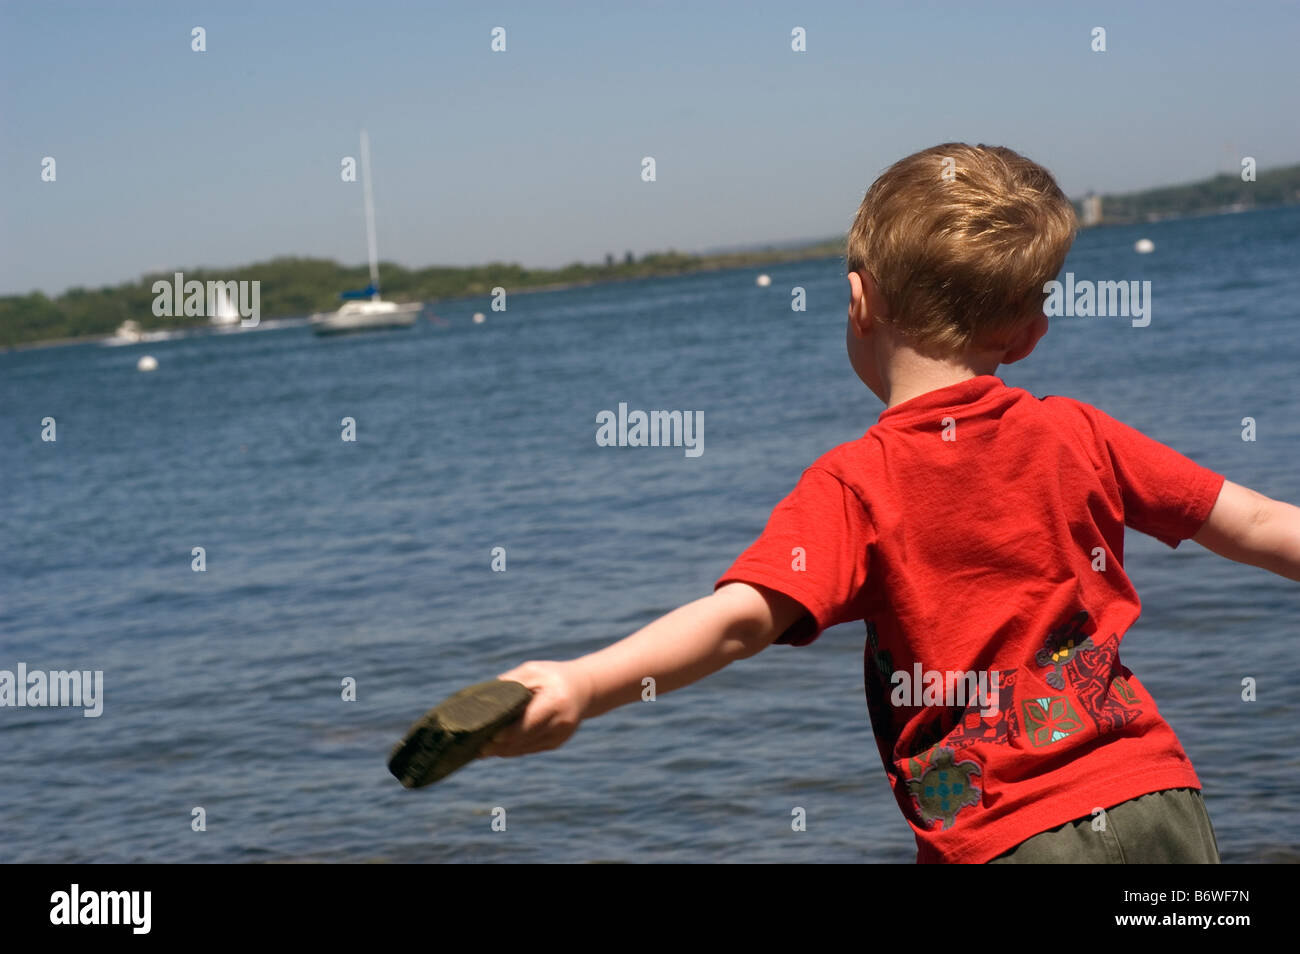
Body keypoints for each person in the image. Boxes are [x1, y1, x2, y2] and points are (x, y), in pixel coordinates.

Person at [480, 143, 1300, 863]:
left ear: (860, 299)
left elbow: (737, 620)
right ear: (1026, 334)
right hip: (1158, 801)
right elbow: (1262, 526)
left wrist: (582, 684)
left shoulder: (856, 483)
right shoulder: (1078, 433)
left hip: (1007, 836)